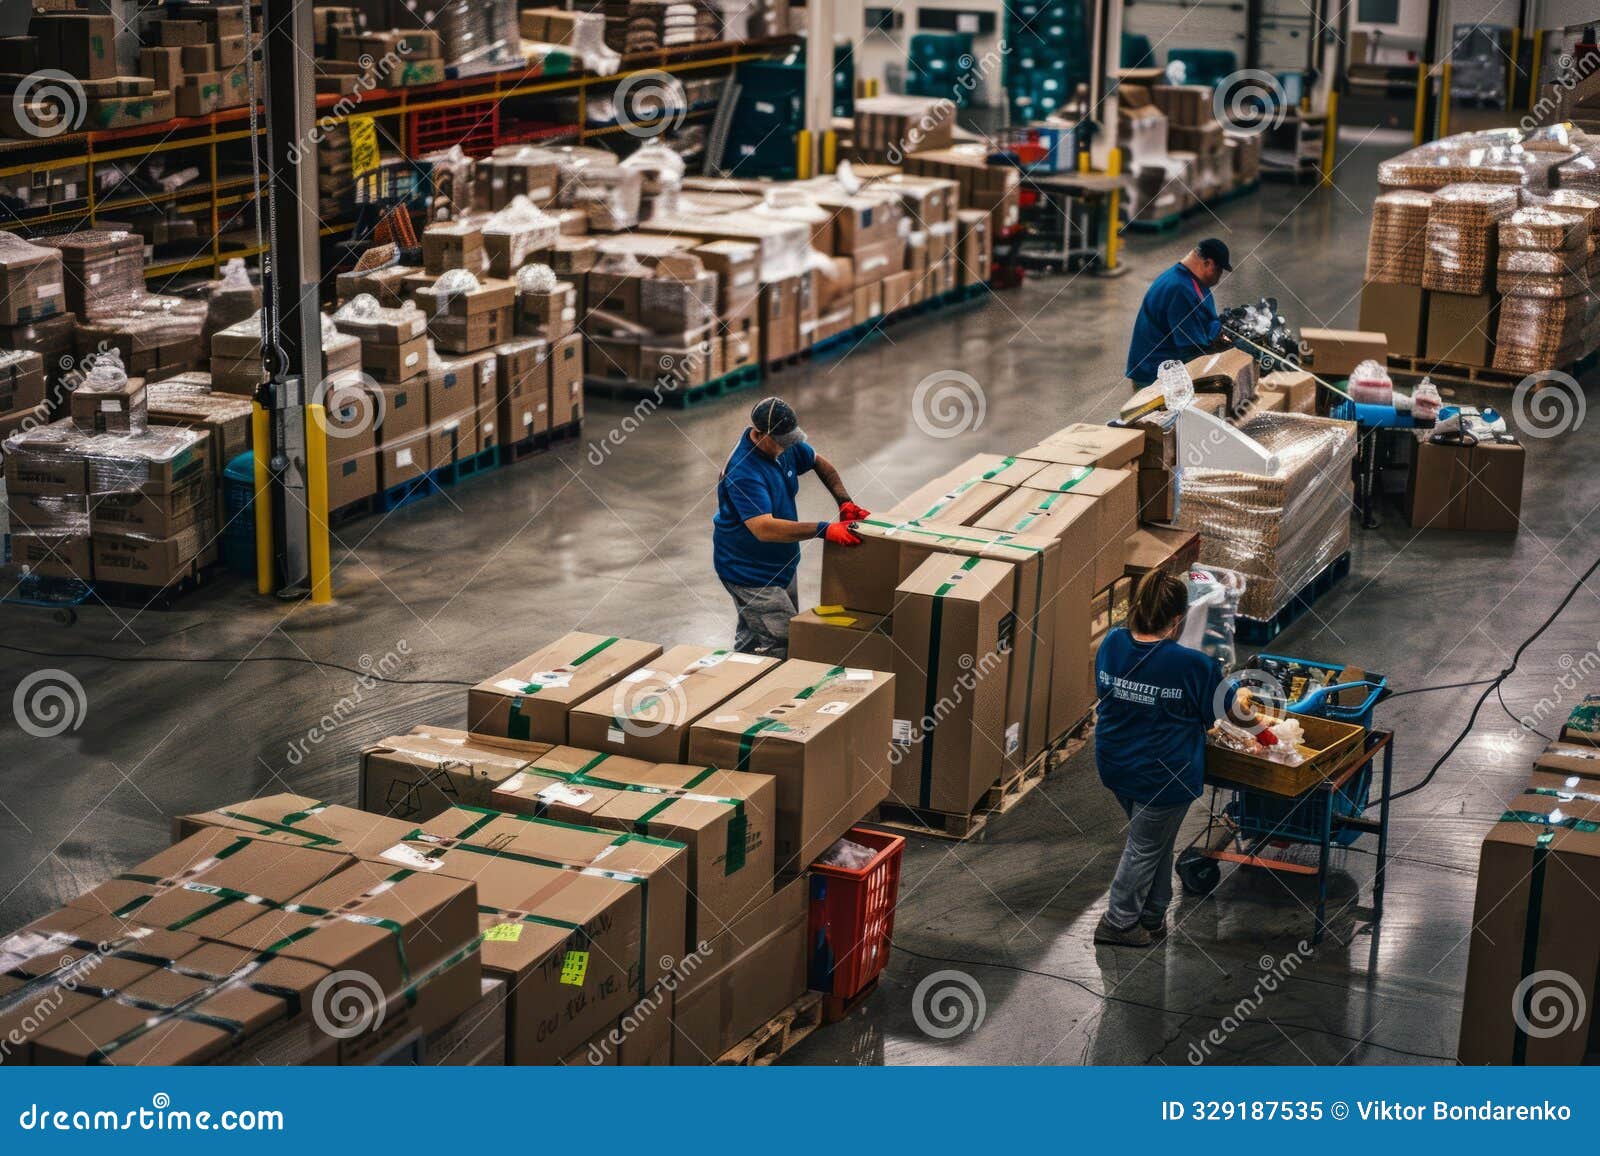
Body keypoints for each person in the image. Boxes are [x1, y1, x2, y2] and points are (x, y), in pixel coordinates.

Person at [1091, 569, 1237, 947]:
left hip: (1115, 762)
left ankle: (1153, 915)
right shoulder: (1195, 665)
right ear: (1177, 619)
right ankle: (1118, 922)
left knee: (1153, 840)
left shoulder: (1112, 643)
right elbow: (1218, 715)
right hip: (1164, 774)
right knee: (1145, 844)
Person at [713, 397, 868, 657]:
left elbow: (820, 463)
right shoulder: (744, 470)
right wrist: (823, 529)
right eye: (781, 442)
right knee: (785, 640)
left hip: (781, 567)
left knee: (755, 636)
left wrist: (845, 501)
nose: (787, 448)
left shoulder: (784, 444)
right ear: (760, 435)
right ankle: (766, 691)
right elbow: (764, 528)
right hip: (750, 574)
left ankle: (737, 675)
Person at [1124, 237, 1233, 388]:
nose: (1219, 278)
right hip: (1155, 377)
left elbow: (1207, 321)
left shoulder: (1189, 280)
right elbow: (1193, 351)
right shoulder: (1181, 290)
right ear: (1207, 263)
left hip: (1160, 367)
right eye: (1219, 271)